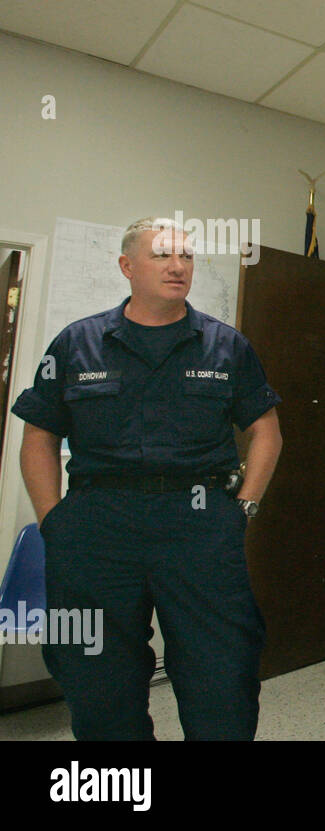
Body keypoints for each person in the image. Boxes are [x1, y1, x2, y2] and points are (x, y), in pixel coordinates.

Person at [11, 216, 282, 740]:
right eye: (162, 255)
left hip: (199, 523)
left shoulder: (226, 346)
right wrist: (54, 521)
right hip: (96, 526)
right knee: (94, 674)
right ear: (126, 266)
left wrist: (243, 508)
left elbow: (266, 430)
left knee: (221, 672)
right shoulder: (77, 344)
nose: (178, 266)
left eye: (186, 256)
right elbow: (38, 436)